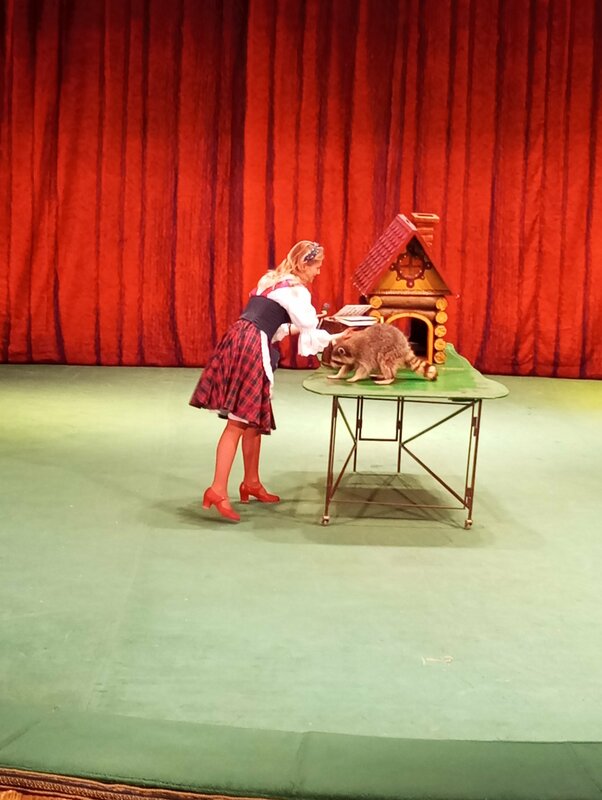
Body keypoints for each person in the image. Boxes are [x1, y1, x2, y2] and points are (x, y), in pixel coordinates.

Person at [190, 240, 338, 522]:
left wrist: (307, 325)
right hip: (253, 346)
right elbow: (309, 330)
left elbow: (274, 325)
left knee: (253, 418)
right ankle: (217, 489)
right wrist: (336, 337)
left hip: (240, 336)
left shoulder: (271, 279)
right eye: (317, 266)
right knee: (237, 422)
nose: (318, 272)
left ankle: (251, 482)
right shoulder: (296, 290)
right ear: (303, 264)